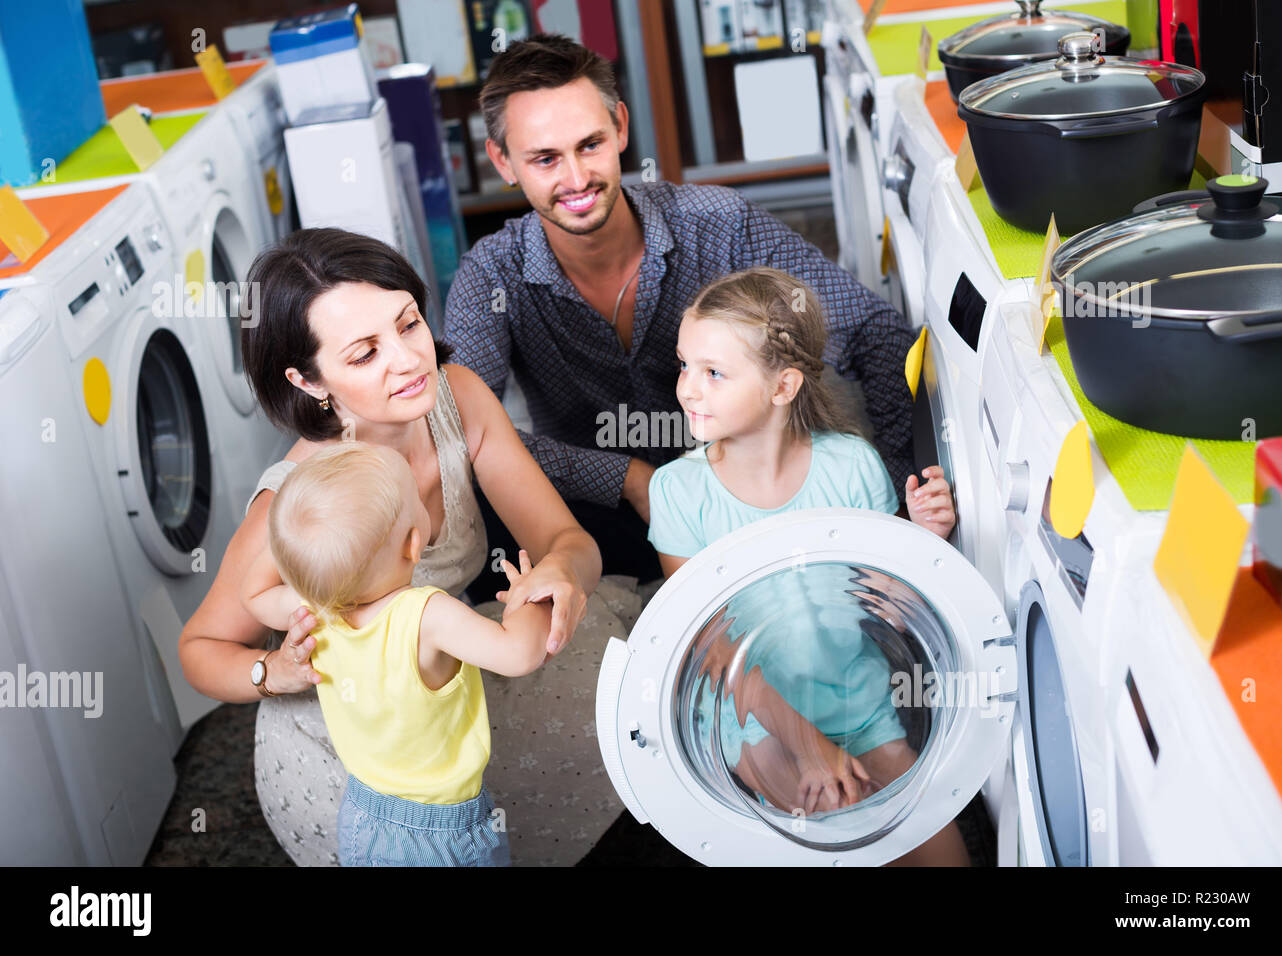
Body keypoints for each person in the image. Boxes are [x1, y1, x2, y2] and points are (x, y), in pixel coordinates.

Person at [177, 228, 601, 866]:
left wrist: (564, 572)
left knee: (624, 671)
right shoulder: (299, 498)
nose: (408, 359)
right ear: (308, 379)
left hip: (443, 686)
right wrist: (276, 672)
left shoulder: (458, 398)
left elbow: (568, 542)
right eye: (365, 353)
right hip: (354, 756)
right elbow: (199, 651)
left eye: (408, 323)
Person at [441, 34, 915, 600]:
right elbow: (459, 427)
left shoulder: (716, 222)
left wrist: (897, 489)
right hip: (597, 514)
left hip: (748, 492)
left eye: (590, 145)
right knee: (482, 503)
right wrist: (626, 479)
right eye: (545, 159)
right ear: (504, 162)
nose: (575, 179)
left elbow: (873, 331)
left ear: (620, 127)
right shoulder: (491, 274)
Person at [647, 267, 968, 866]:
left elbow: (885, 611)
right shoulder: (678, 492)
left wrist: (927, 540)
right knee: (822, 832)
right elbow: (715, 654)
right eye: (684, 365)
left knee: (939, 853)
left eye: (713, 372)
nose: (688, 388)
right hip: (751, 718)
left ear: (783, 385)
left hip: (859, 699)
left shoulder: (851, 467)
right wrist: (811, 747)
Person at [242, 442, 552, 866]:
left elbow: (253, 593)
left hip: (363, 815)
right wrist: (529, 600)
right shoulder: (428, 614)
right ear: (413, 542)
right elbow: (521, 654)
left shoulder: (316, 607)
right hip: (443, 831)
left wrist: (296, 545)